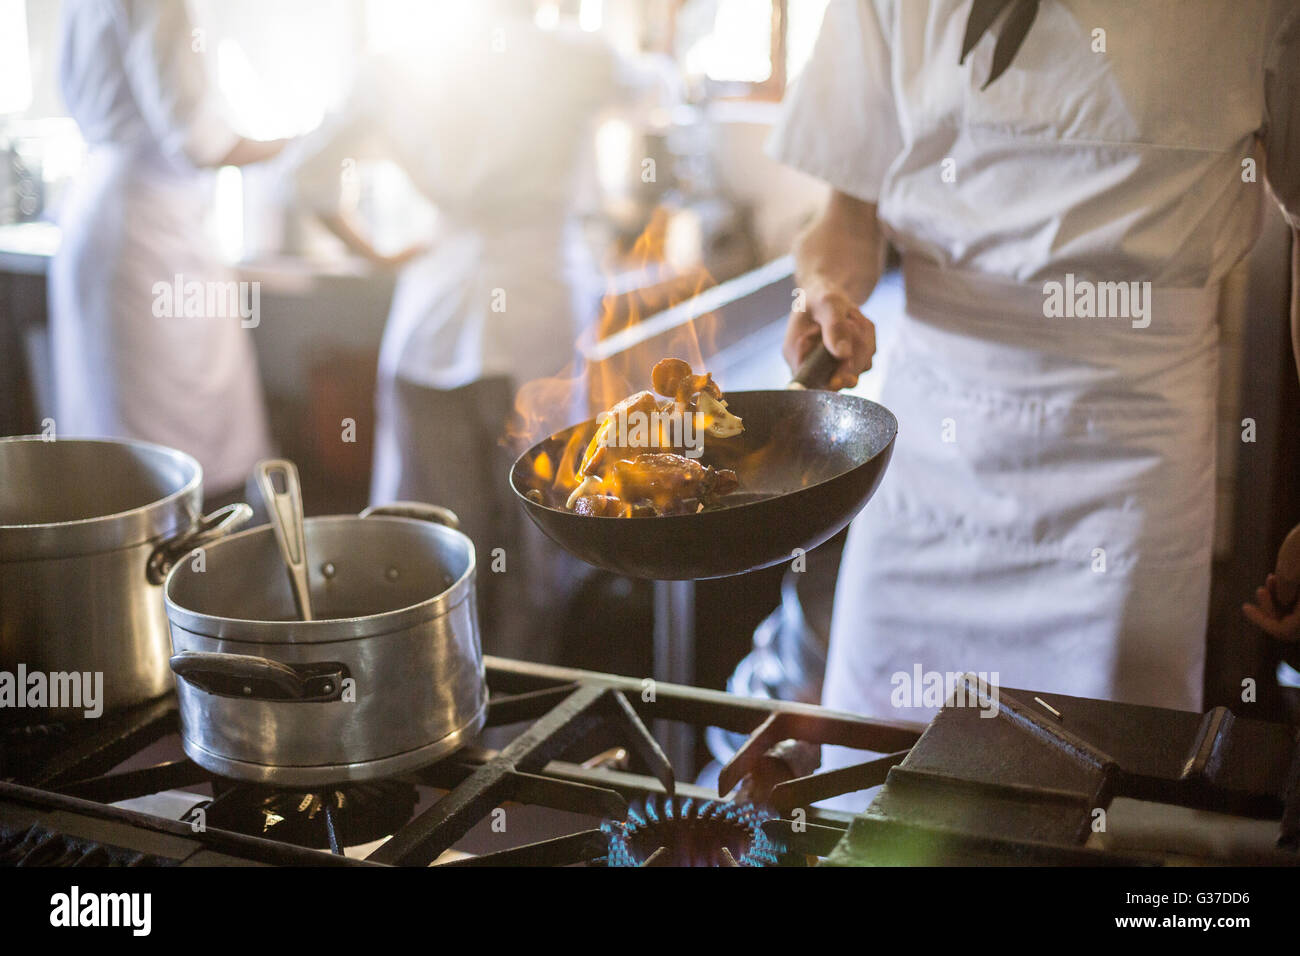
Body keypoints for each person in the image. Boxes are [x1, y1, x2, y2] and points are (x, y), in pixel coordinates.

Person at [768, 0, 1300, 732]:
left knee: (1100, 776)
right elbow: (846, 215)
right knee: (881, 768)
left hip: (1133, 451)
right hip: (929, 440)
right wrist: (825, 289)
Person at [291, 1, 639, 659]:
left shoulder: (396, 65)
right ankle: (523, 711)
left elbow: (306, 175)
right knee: (540, 534)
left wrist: (378, 254)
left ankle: (429, 706)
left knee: (434, 540)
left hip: (433, 310)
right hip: (539, 308)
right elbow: (660, 87)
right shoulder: (576, 55)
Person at [50, 0, 287, 500]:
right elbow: (200, 139)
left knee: (114, 435)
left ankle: (135, 561)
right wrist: (305, 141)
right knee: (176, 445)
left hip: (100, 214)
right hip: (150, 232)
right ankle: (189, 566)